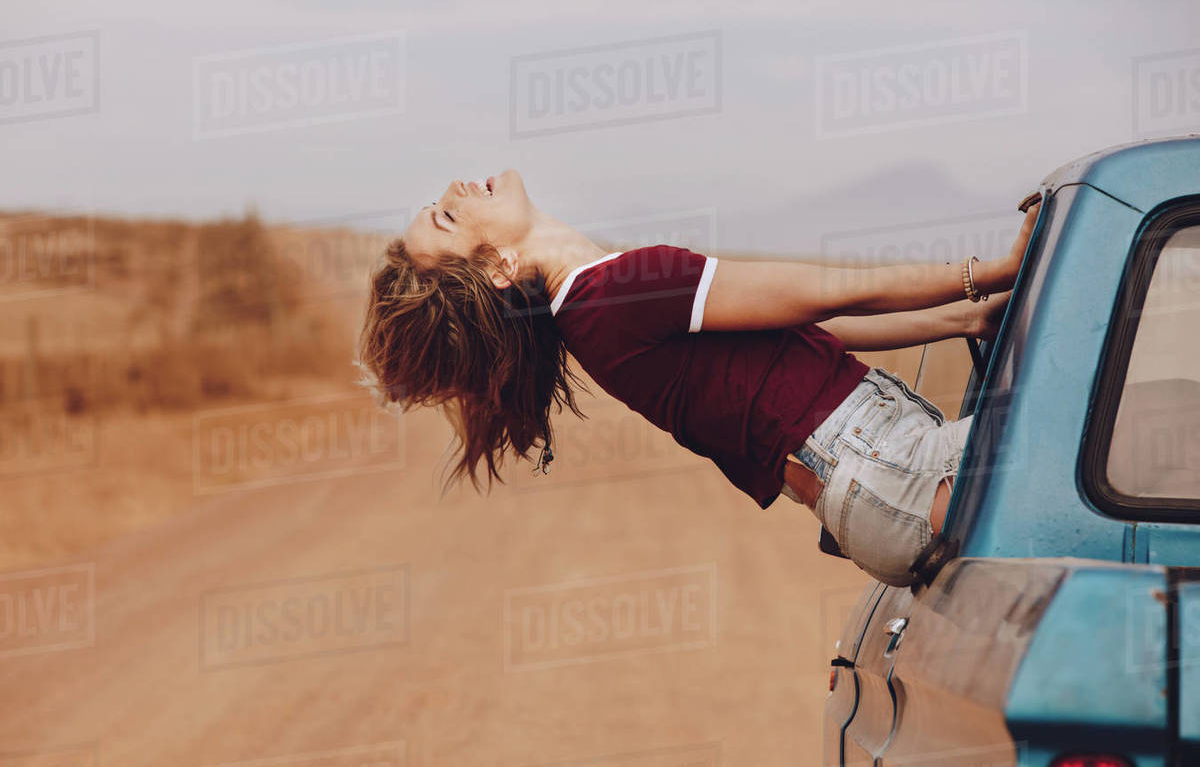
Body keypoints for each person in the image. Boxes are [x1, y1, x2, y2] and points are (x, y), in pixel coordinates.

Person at [357, 170, 1038, 585]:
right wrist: (990, 273)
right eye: (447, 217)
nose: (451, 190)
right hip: (893, 473)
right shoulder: (618, 291)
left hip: (874, 491)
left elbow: (811, 334)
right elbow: (829, 292)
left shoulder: (592, 317)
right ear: (501, 267)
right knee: (1096, 449)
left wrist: (965, 319)